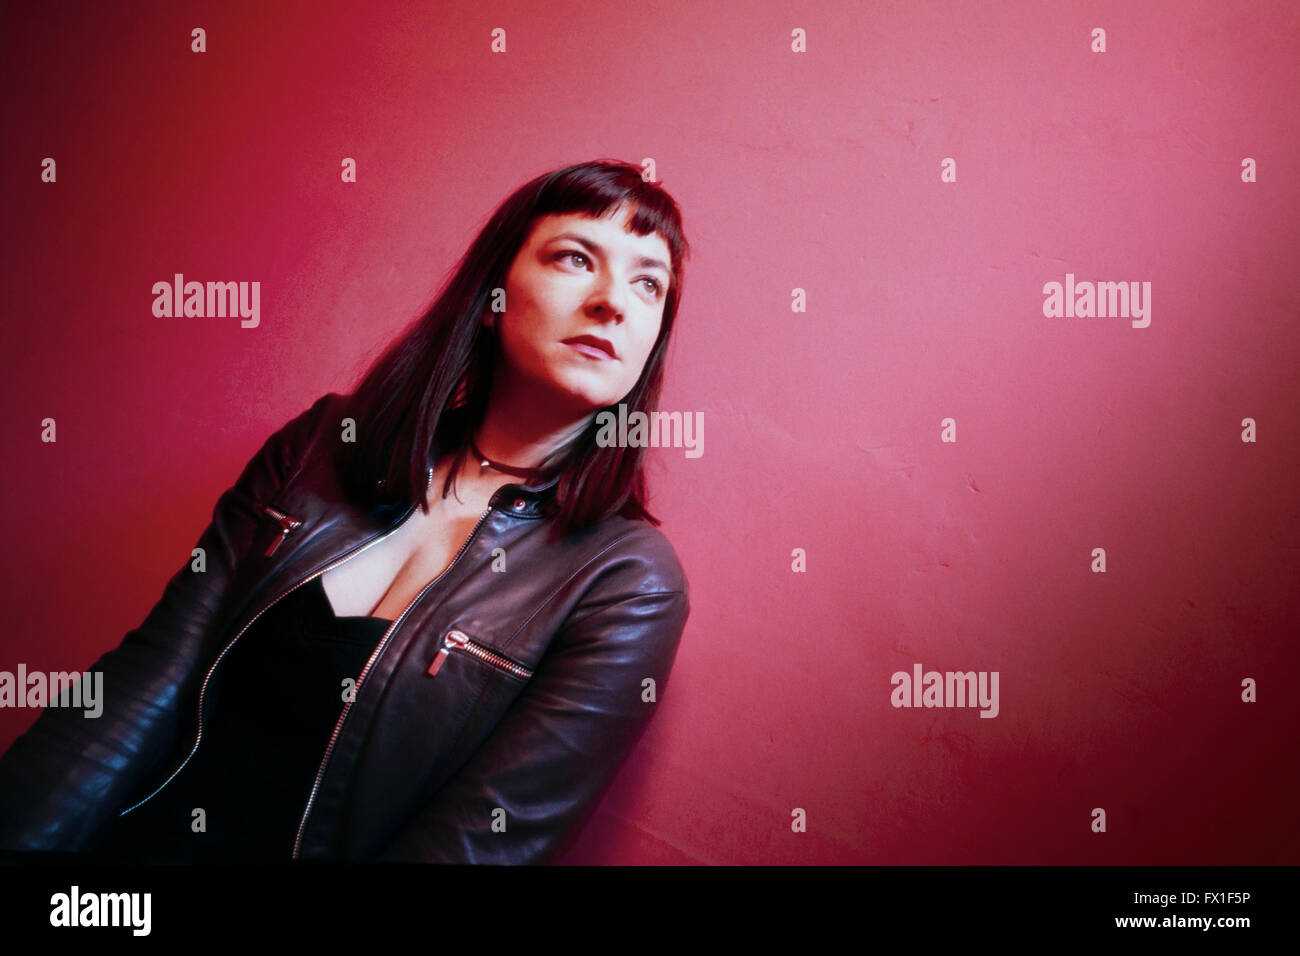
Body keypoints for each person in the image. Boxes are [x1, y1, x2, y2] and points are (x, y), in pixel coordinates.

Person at [0, 159, 692, 864]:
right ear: (493, 295)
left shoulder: (629, 584)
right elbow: (144, 686)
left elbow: (476, 848)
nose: (615, 302)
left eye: (649, 283)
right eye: (576, 258)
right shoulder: (321, 449)